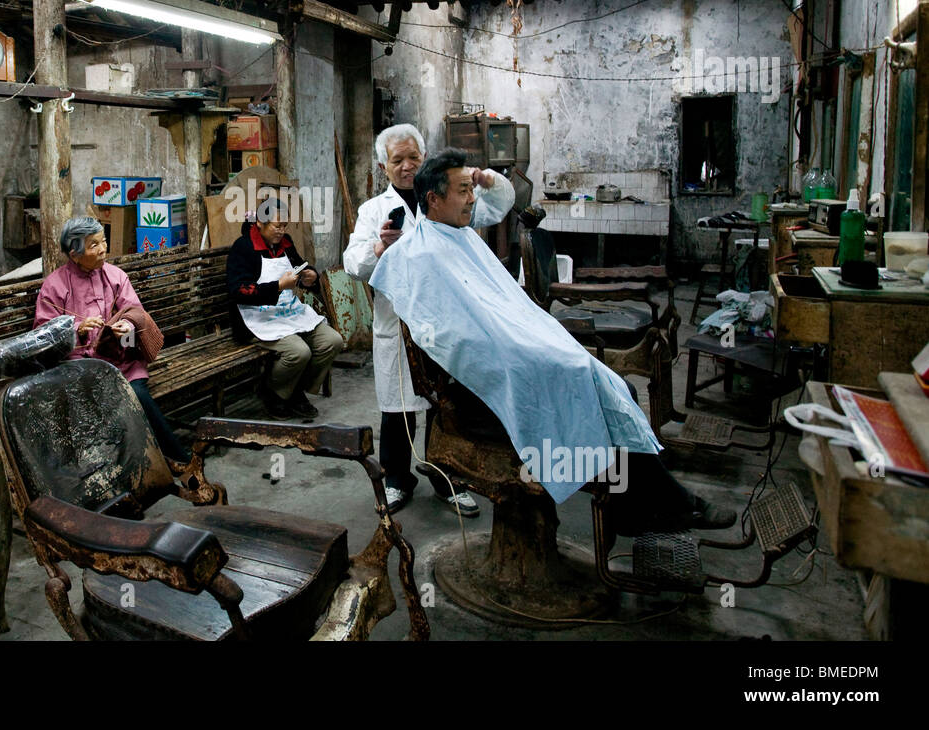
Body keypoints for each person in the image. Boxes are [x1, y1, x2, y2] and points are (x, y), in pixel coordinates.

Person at [369, 148, 735, 532]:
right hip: (480, 385)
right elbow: (450, 337)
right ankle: (667, 503)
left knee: (609, 383)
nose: (472, 199)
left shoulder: (460, 236)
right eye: (463, 190)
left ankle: (633, 503)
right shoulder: (413, 254)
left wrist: (537, 343)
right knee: (586, 380)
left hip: (514, 354)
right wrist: (530, 354)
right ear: (434, 199)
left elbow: (499, 300)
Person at [343, 124, 514, 516]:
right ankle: (396, 480)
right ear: (384, 166)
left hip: (445, 326)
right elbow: (353, 264)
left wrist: (488, 180)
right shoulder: (373, 211)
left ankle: (449, 480)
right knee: (398, 410)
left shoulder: (446, 198)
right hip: (398, 327)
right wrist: (378, 247)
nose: (406, 167)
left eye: (413, 158)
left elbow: (496, 206)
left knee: (446, 407)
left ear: (424, 159)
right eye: (397, 160)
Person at [34, 215, 188, 462]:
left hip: (121, 361)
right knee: (112, 399)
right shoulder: (54, 286)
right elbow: (44, 334)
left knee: (136, 393)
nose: (103, 249)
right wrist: (77, 328)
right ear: (74, 254)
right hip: (78, 368)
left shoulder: (115, 276)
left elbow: (135, 310)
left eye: (103, 241)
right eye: (94, 245)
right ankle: (149, 461)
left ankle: (173, 459)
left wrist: (126, 325)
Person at [226, 198, 343, 419]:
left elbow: (299, 267)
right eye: (276, 226)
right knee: (299, 352)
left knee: (332, 341)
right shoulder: (244, 248)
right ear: (260, 222)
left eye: (284, 226)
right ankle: (273, 394)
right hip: (256, 318)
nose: (281, 231)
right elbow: (238, 290)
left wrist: (310, 276)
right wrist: (277, 286)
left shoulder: (285, 244)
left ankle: (294, 391)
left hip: (288, 313)